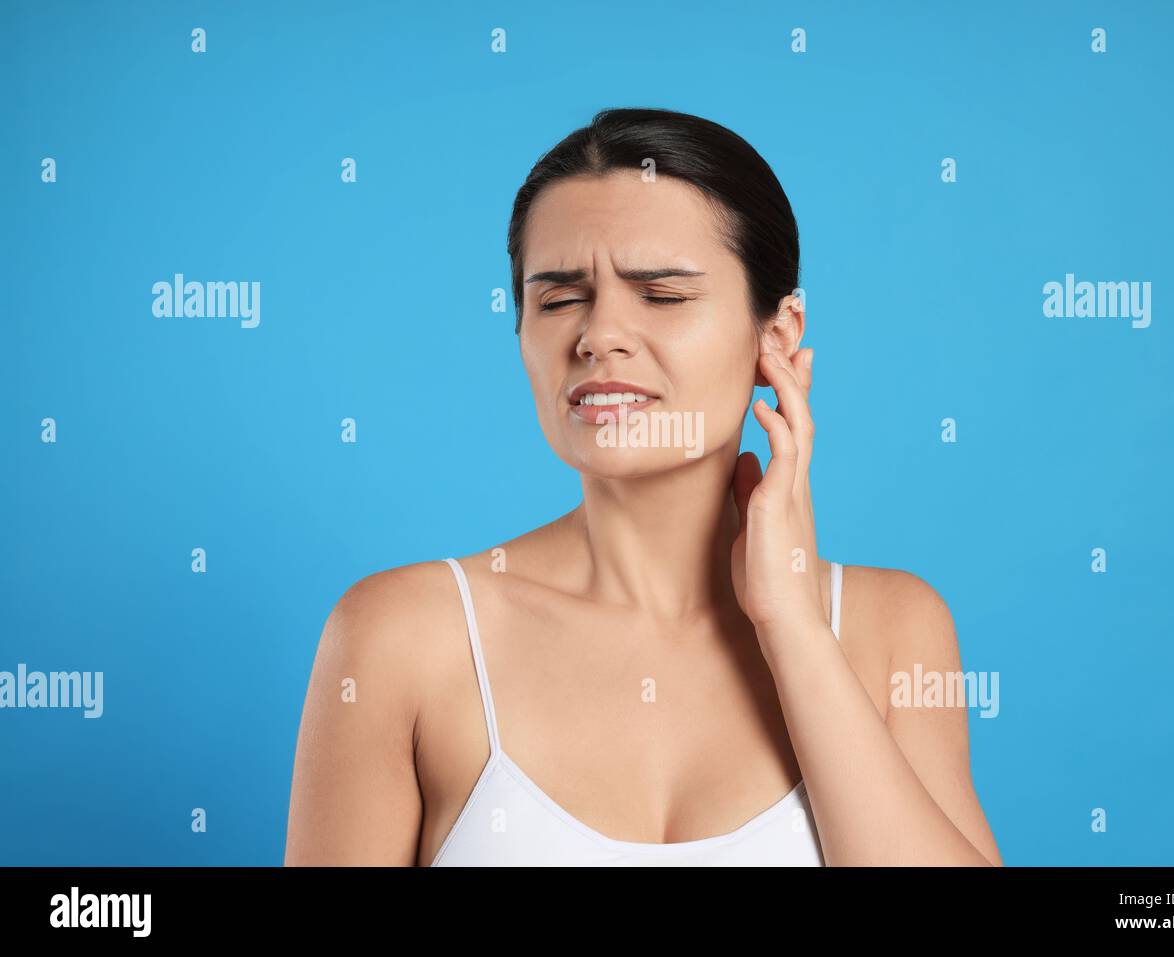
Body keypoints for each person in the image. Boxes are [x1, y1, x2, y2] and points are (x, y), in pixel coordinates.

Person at [284, 107, 1002, 866]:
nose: (599, 335)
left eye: (661, 295)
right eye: (559, 299)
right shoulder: (401, 638)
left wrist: (792, 626)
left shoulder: (892, 630)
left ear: (779, 336)